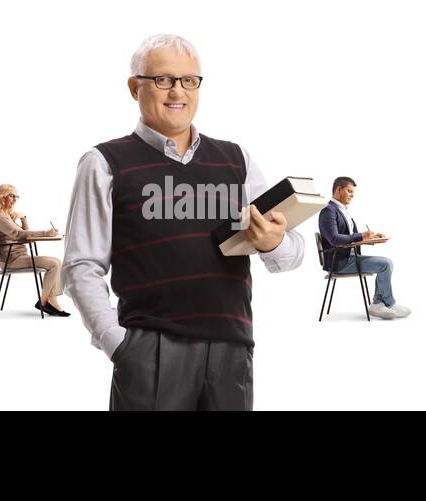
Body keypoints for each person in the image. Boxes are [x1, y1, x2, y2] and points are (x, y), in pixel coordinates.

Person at [63, 34, 305, 411]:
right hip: (151, 351)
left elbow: (291, 254)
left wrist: (273, 241)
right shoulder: (105, 162)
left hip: (232, 348)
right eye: (163, 79)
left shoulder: (234, 158)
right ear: (134, 87)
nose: (178, 91)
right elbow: (82, 265)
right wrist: (119, 344)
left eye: (189, 80)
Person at [318, 176, 408, 319]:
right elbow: (335, 239)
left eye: (353, 192)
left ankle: (378, 303)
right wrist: (361, 236)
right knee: (385, 264)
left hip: (350, 257)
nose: (352, 195)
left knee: (386, 263)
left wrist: (370, 237)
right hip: (340, 262)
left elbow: (350, 238)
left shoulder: (342, 211)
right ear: (338, 189)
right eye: (349, 191)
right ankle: (386, 303)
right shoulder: (328, 211)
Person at [0, 184, 69, 317]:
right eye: (11, 196)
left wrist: (23, 218)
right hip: (12, 260)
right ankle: (45, 301)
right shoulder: (0, 218)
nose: (14, 199)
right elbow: (18, 235)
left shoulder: (6, 216)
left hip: (18, 258)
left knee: (56, 261)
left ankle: (49, 300)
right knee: (55, 263)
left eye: (16, 196)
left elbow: (25, 234)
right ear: (2, 198)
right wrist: (46, 233)